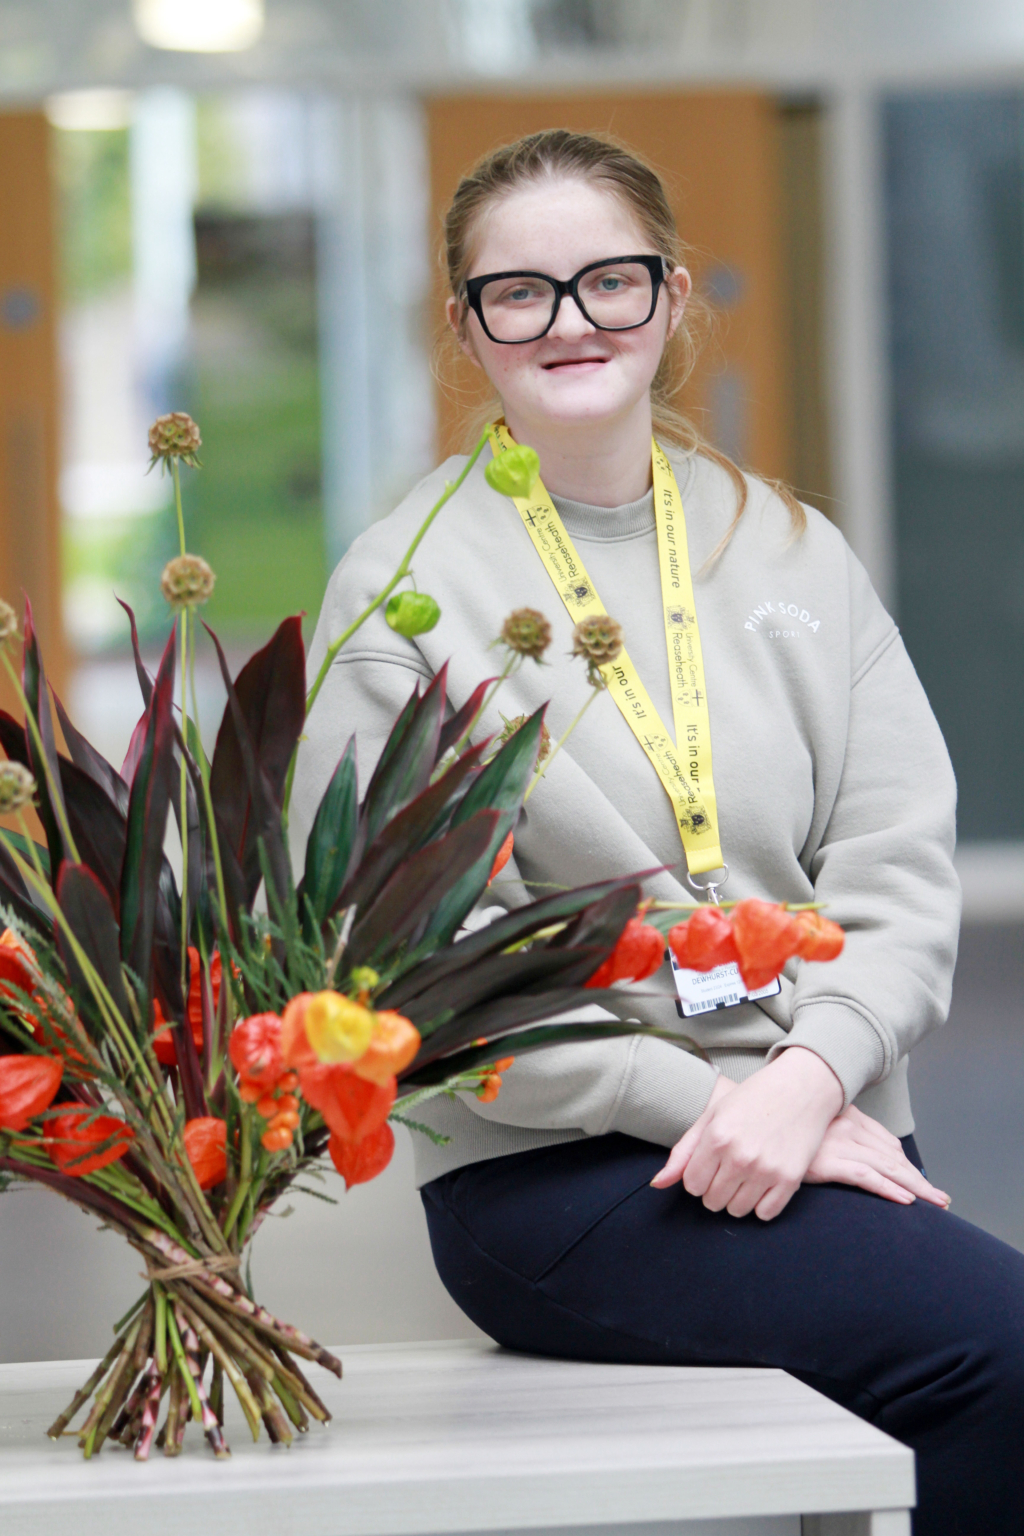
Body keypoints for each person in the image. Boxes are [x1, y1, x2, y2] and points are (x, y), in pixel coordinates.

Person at [293, 130, 1024, 1534]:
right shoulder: (404, 596)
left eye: (610, 282)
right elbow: (427, 980)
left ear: (674, 299)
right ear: (465, 325)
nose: (571, 322)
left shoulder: (796, 550)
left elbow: (899, 875)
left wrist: (807, 1083)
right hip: (570, 1174)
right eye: (521, 293)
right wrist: (706, 1104)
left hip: (830, 1122)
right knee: (999, 1360)